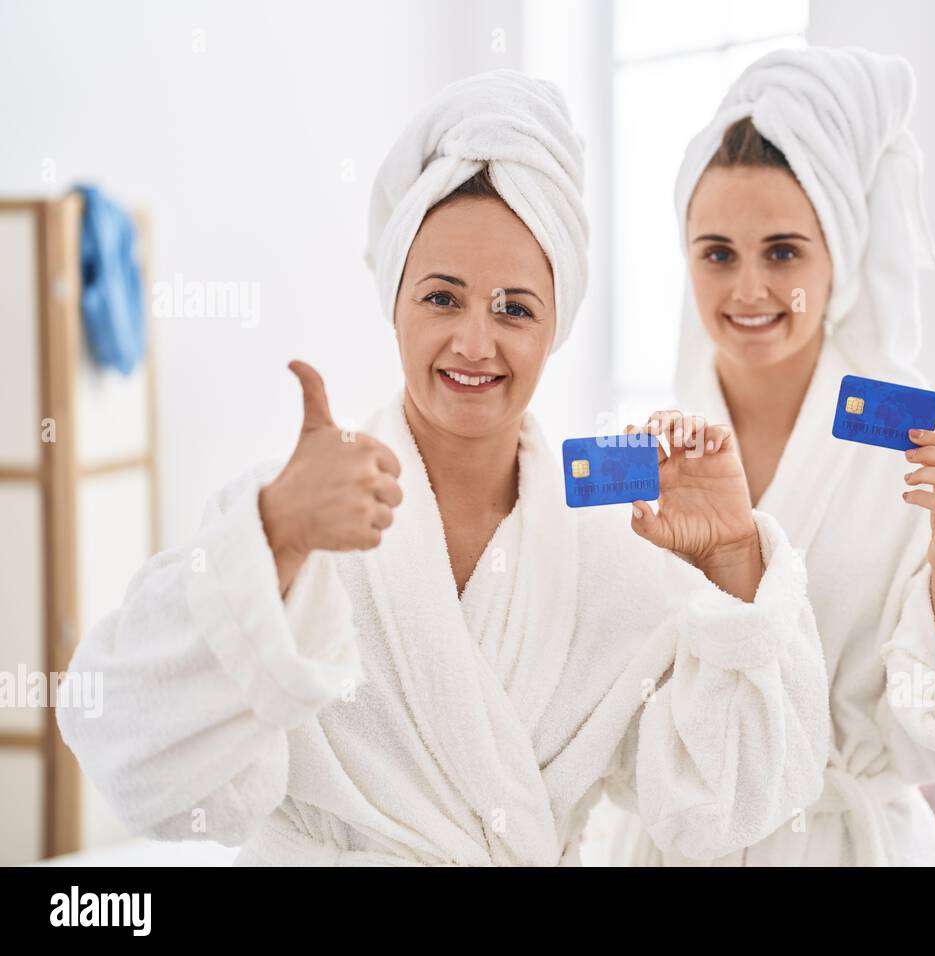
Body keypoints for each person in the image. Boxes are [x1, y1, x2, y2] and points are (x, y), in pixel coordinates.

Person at [57, 70, 830, 866]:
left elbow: (731, 805)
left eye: (515, 308)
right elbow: (129, 753)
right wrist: (275, 536)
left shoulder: (610, 548)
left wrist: (735, 558)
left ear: (554, 326)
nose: (473, 342)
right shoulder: (294, 514)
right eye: (440, 298)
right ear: (393, 301)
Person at [612, 47, 935, 866]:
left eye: (783, 252)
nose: (748, 289)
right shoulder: (644, 453)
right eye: (718, 253)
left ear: (838, 261)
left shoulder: (923, 458)